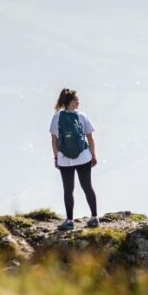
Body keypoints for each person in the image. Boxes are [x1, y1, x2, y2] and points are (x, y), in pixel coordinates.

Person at [49, 88, 99, 230]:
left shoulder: (57, 117)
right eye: (76, 99)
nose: (78, 101)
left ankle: (69, 221)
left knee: (68, 190)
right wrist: (93, 155)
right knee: (87, 187)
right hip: (83, 158)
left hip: (64, 159)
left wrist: (56, 157)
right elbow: (90, 138)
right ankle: (94, 218)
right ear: (70, 102)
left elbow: (54, 140)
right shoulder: (82, 116)